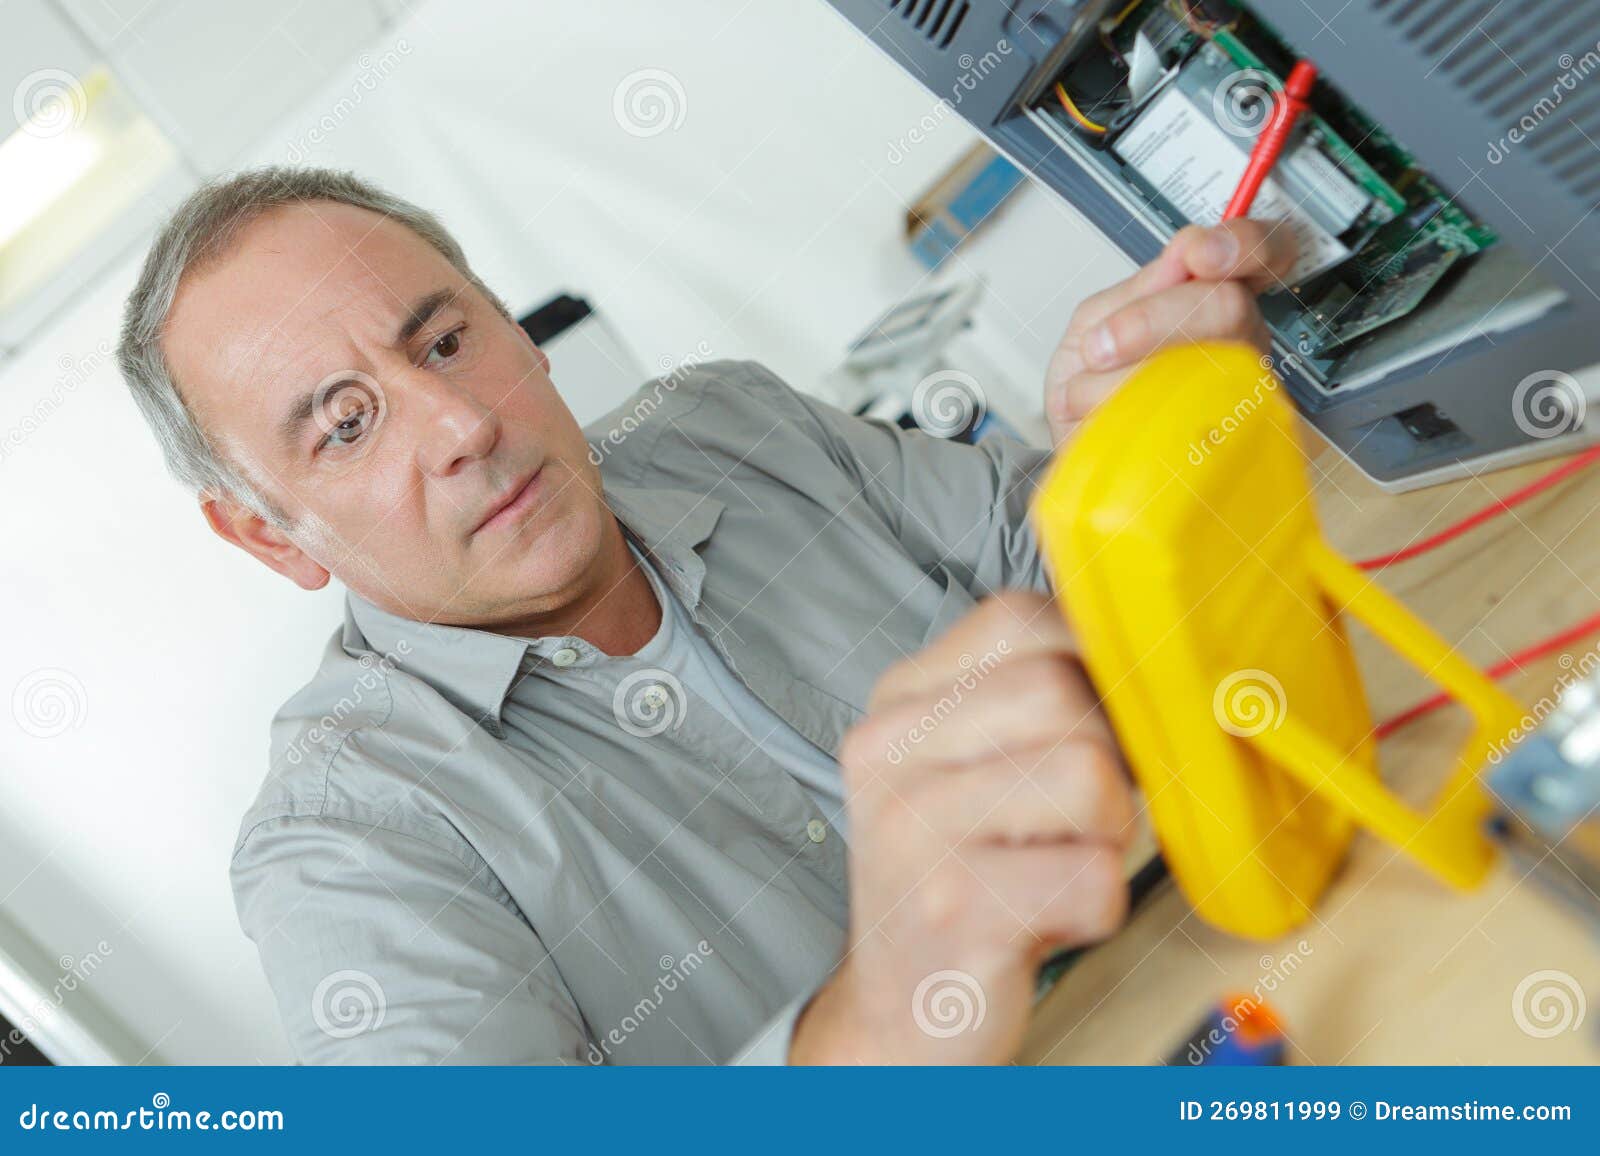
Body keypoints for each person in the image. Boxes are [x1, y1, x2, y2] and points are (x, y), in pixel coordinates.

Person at [116, 167, 1293, 1063]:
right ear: (268, 533)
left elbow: (1114, 588)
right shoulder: (340, 848)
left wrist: (1135, 463)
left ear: (515, 329)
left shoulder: (732, 427)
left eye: (445, 340)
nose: (458, 424)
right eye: (346, 423)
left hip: (1253, 976)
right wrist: (889, 1001)